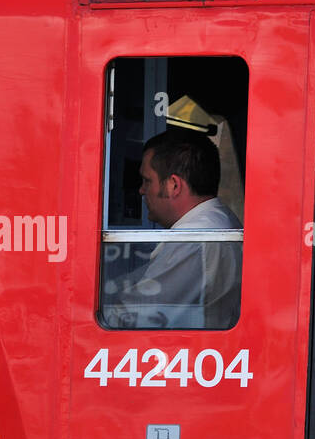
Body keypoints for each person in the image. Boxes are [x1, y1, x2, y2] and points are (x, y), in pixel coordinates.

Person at [102, 127, 242, 329]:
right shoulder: (216, 220)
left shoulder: (195, 237)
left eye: (147, 180)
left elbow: (136, 314)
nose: (141, 190)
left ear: (173, 185)